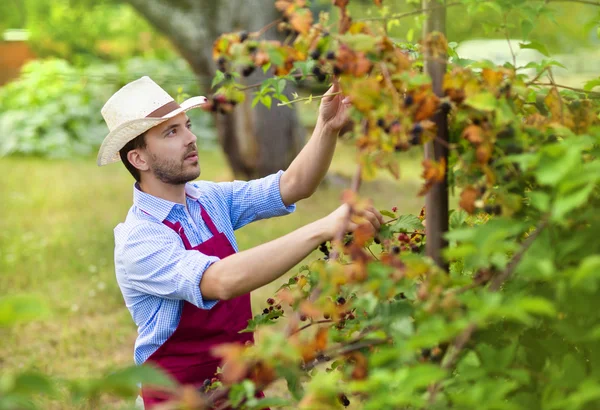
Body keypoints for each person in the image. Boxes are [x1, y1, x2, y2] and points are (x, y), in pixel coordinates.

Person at [97, 76, 383, 408]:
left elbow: (293, 184)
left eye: (187, 126)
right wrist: (322, 228)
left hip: (238, 388)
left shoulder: (209, 199)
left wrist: (326, 127)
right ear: (139, 159)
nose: (191, 139)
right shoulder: (140, 240)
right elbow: (220, 281)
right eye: (171, 133)